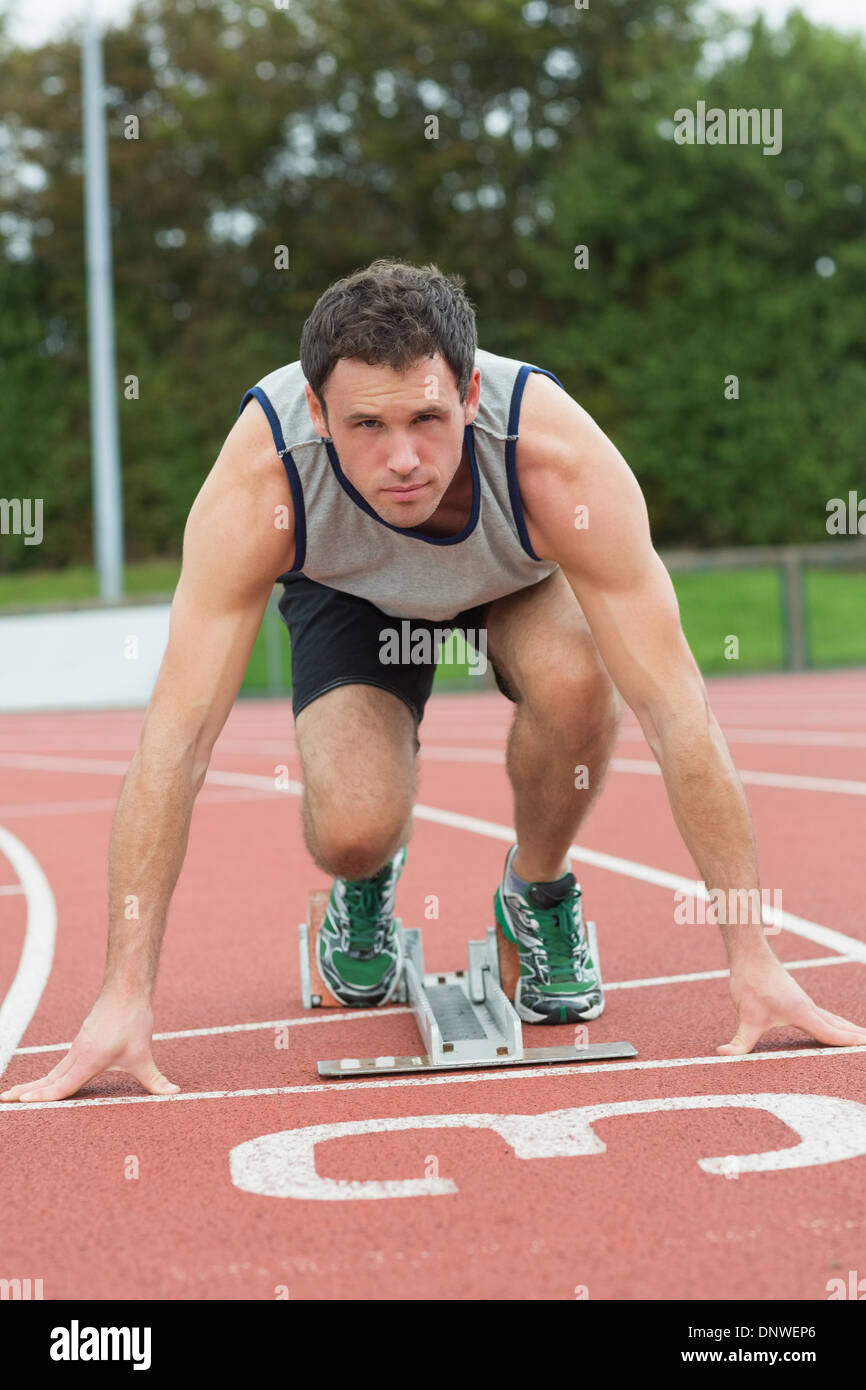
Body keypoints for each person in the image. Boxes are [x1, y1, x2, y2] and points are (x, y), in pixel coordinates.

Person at [4, 258, 864, 1104]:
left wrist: (754, 958)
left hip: (516, 580)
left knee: (578, 682)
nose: (404, 458)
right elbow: (176, 742)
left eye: (427, 416)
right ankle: (366, 882)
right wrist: (123, 996)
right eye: (366, 426)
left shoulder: (554, 459)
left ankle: (539, 887)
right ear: (316, 412)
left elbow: (680, 713)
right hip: (349, 594)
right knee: (352, 830)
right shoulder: (265, 476)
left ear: (471, 395)